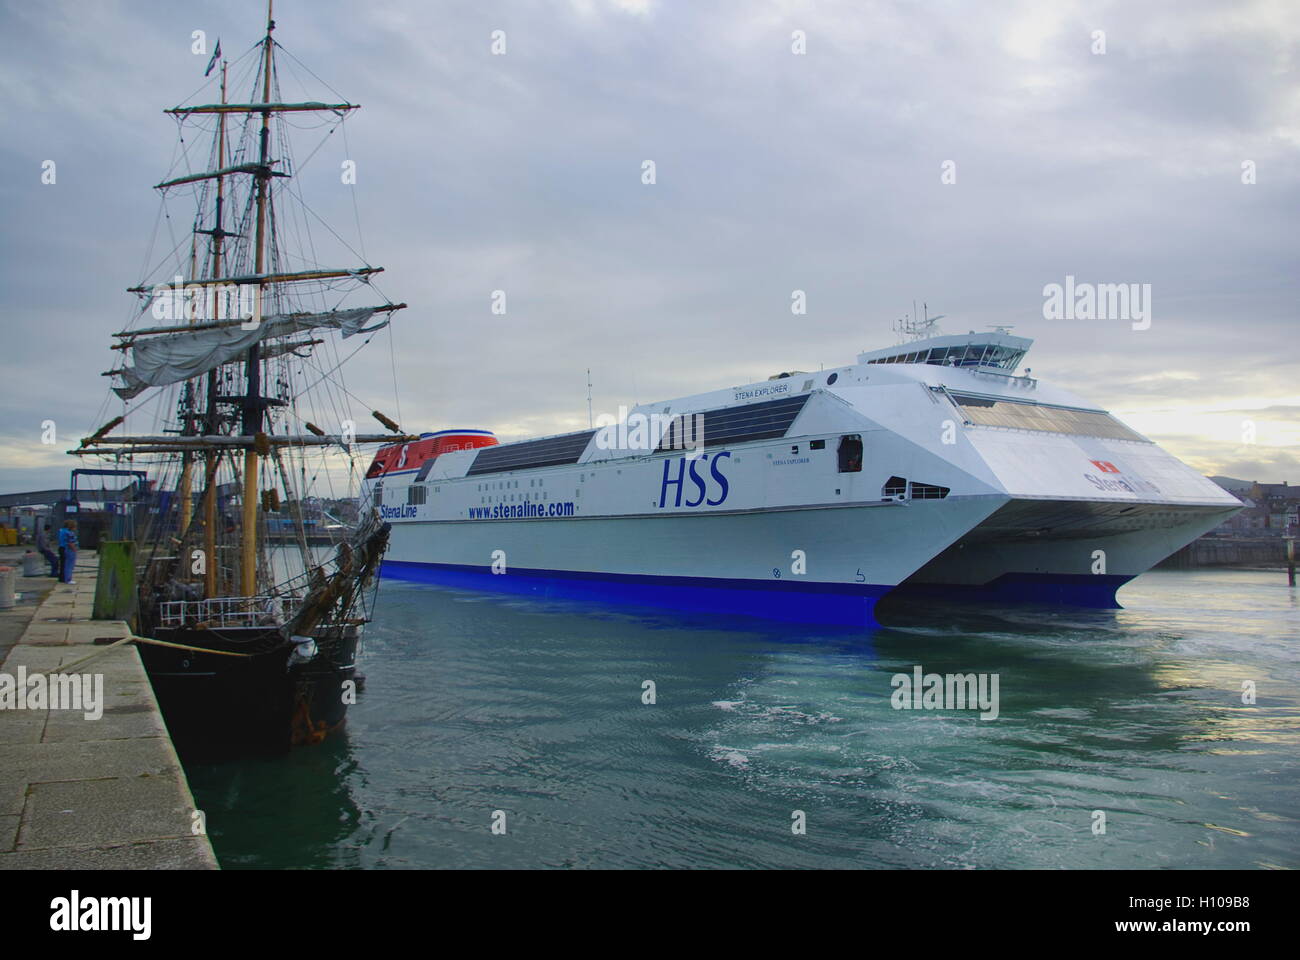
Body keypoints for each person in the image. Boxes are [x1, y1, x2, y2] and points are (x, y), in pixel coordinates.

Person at [57, 520, 78, 585]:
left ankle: (62, 578)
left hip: (61, 547)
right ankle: (68, 579)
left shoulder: (61, 531)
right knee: (69, 565)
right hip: (68, 549)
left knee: (63, 564)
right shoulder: (69, 533)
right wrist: (75, 549)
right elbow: (70, 542)